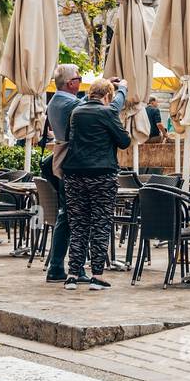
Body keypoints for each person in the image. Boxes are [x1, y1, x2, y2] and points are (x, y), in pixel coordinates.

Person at [45, 65, 125, 283]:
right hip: (89, 169)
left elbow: (93, 101)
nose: (82, 83)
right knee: (80, 221)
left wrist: (105, 84)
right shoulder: (73, 105)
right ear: (71, 83)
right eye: (79, 79)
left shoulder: (54, 102)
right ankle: (72, 269)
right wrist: (118, 91)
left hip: (71, 169)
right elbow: (97, 106)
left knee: (74, 220)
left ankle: (69, 269)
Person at [61, 78, 130, 291]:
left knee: (78, 224)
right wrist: (123, 88)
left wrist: (114, 89)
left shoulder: (76, 113)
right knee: (100, 223)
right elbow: (124, 141)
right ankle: (97, 275)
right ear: (107, 97)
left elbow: (66, 137)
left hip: (73, 174)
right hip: (102, 174)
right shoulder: (108, 113)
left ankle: (72, 274)